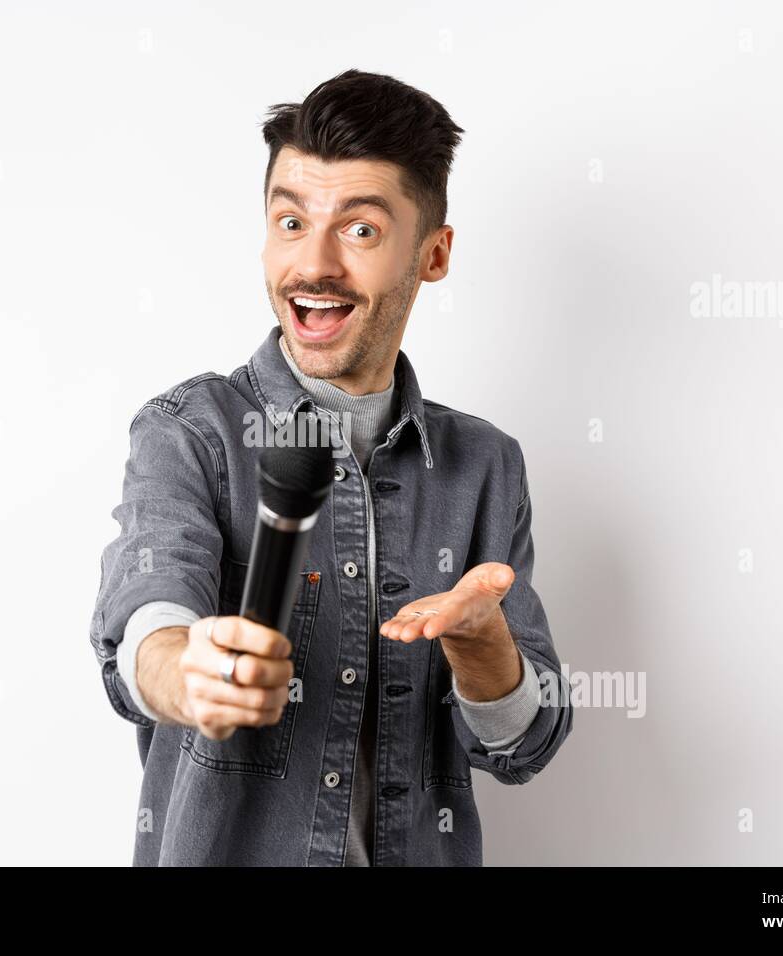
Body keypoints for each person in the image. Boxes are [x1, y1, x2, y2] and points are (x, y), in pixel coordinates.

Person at [89, 69, 572, 866]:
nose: (312, 265)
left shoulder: (485, 467)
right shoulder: (190, 433)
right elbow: (145, 621)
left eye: (360, 230)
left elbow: (525, 747)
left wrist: (484, 645)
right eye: (289, 221)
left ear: (434, 252)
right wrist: (188, 669)